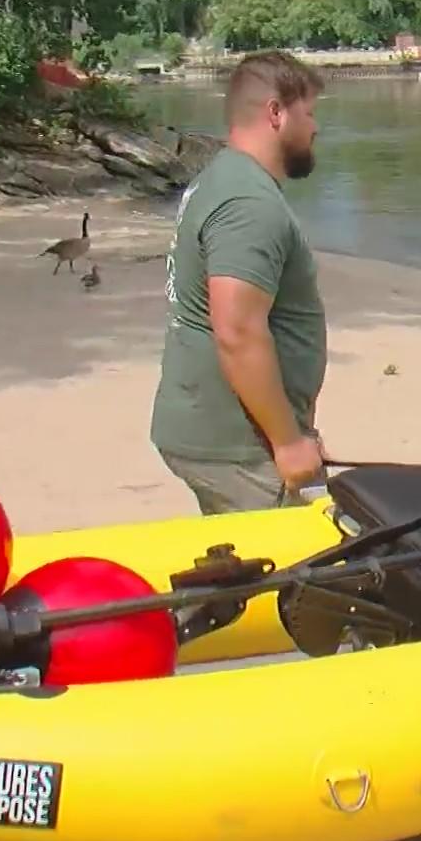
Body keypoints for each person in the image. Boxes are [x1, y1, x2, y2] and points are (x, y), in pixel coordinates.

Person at [150, 50, 330, 515]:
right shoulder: (248, 203)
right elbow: (238, 330)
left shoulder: (220, 180)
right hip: (239, 448)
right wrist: (288, 442)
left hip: (217, 429)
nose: (315, 128)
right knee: (298, 576)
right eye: (309, 113)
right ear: (276, 113)